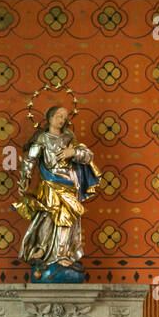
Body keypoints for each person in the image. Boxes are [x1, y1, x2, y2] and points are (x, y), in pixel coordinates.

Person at [13, 104, 101, 280]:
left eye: (64, 116)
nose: (62, 119)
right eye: (59, 116)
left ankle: (63, 254)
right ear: (50, 118)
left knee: (66, 220)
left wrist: (73, 152)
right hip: (49, 183)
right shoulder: (42, 139)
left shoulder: (69, 138)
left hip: (69, 184)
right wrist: (26, 178)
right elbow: (30, 159)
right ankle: (43, 249)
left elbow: (88, 155)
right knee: (48, 215)